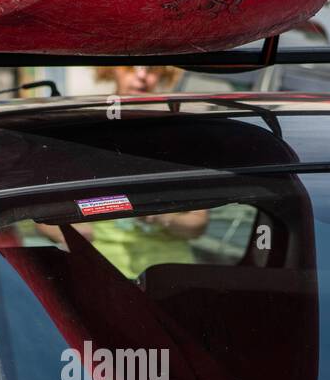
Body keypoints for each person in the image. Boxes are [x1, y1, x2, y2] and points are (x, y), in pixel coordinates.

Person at [35, 64, 209, 277]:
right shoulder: (85, 135)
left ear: (165, 74)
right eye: (129, 67)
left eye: (153, 70)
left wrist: (162, 216)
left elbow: (198, 225)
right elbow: (40, 214)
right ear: (111, 70)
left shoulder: (177, 137)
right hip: (101, 274)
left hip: (170, 275)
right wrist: (70, 233)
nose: (142, 76)